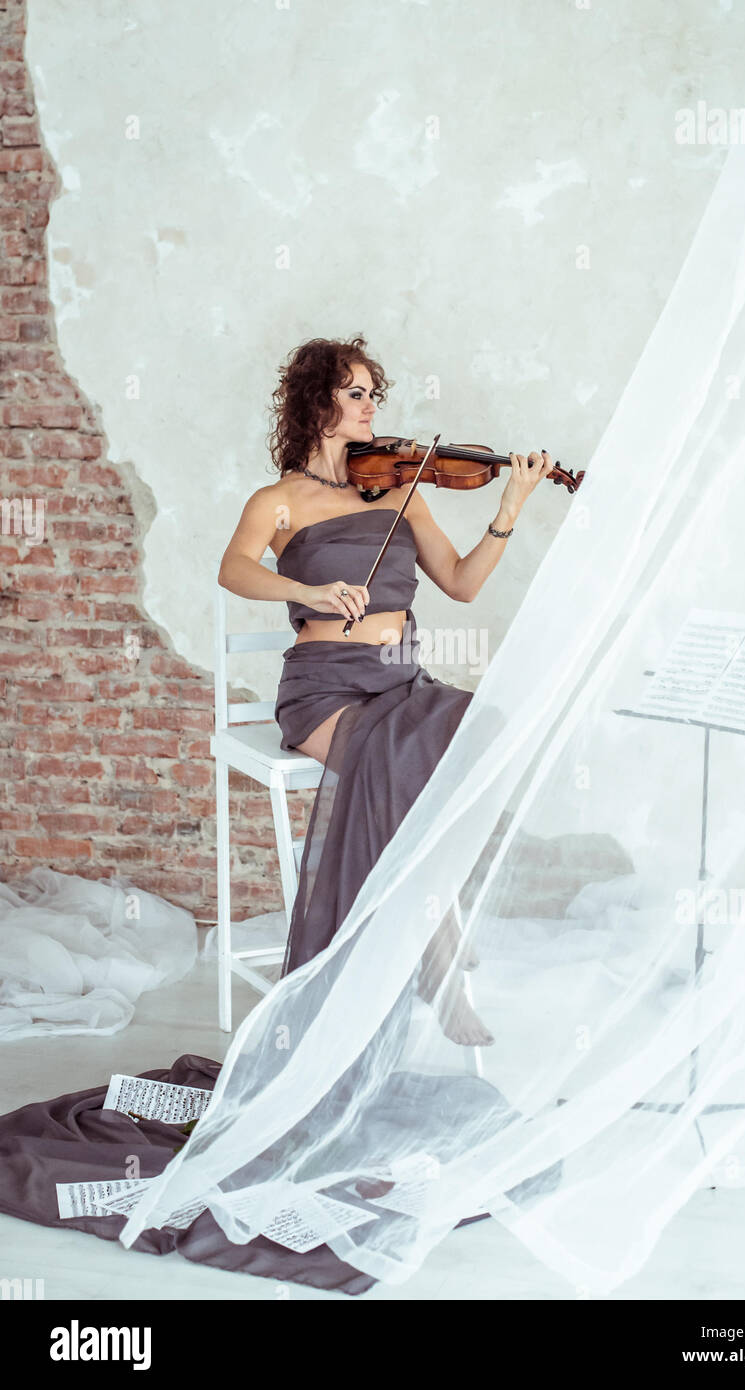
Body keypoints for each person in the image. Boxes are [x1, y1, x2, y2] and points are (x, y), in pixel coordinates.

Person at [217, 334, 554, 1048]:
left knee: (480, 734)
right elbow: (235, 571)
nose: (373, 406)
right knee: (405, 779)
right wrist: (308, 588)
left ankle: (429, 955)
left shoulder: (400, 487)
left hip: (400, 680)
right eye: (356, 393)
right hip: (324, 690)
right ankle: (436, 964)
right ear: (318, 403)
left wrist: (511, 505)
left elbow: (461, 584)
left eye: (375, 393)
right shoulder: (277, 500)